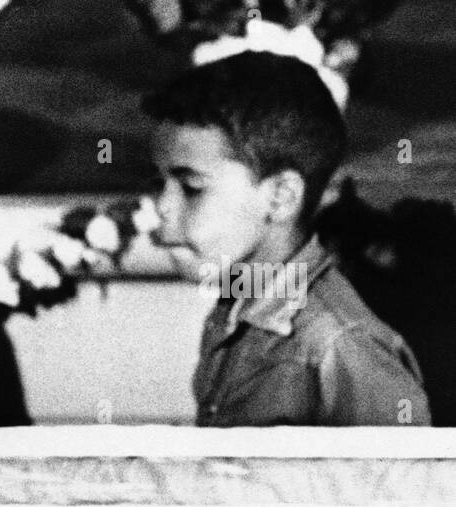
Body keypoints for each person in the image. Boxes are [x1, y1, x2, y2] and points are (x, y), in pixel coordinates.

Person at [144, 51, 430, 427]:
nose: (161, 207)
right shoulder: (232, 306)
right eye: (158, 183)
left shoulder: (338, 347)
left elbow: (406, 486)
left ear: (280, 197)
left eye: (191, 187)